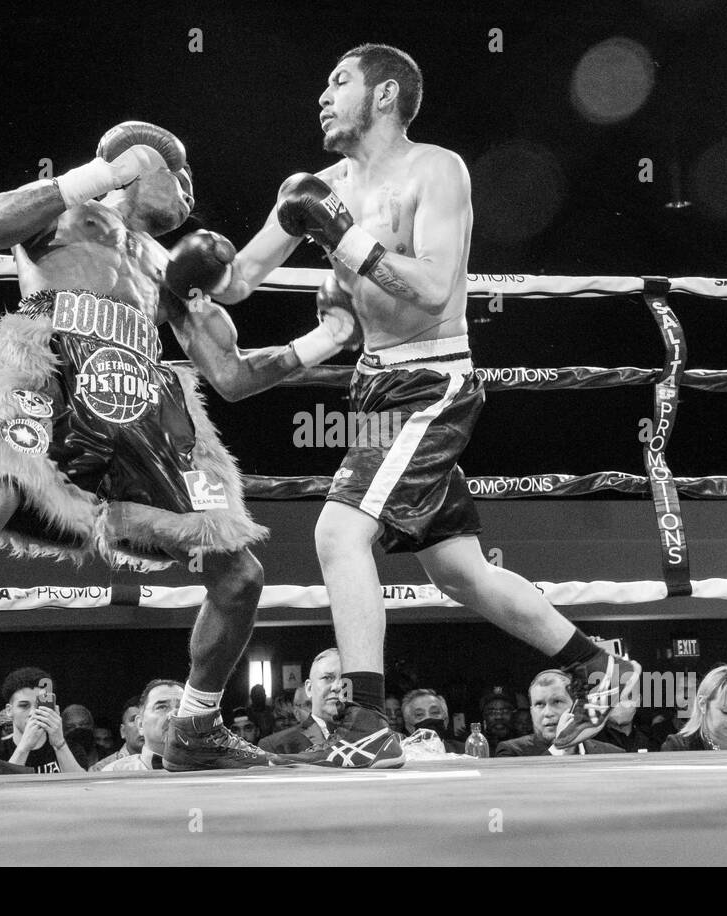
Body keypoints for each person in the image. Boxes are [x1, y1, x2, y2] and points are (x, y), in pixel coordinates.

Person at [0, 120, 361, 786]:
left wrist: (329, 337)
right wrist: (100, 173)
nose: (191, 191)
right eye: (180, 172)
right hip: (47, 368)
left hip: (139, 403)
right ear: (138, 163)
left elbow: (230, 376)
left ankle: (196, 726)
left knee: (240, 575)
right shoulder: (65, 212)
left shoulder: (170, 265)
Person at [219, 43, 639, 768]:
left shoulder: (435, 170)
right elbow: (240, 279)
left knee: (337, 534)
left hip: (430, 380)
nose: (322, 95)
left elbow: (437, 287)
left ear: (385, 96)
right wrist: (169, 265)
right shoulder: (316, 185)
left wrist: (342, 238)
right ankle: (596, 664)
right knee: (459, 571)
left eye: (338, 79)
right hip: (374, 384)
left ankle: (365, 722)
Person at [496, 670, 624, 757]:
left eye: (557, 702)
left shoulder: (612, 754)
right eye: (539, 704)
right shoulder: (511, 753)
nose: (547, 713)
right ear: (531, 711)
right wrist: (561, 747)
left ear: (576, 706)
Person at [0, 667, 86, 773]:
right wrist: (24, 748)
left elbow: (83, 786)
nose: (32, 713)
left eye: (40, 705)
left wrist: (59, 744)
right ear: (9, 711)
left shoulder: (71, 748)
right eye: (24, 706)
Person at [258, 648, 342, 754]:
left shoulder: (367, 735)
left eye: (344, 679)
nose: (337, 686)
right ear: (309, 688)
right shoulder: (276, 745)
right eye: (327, 678)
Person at [99, 679, 183, 771]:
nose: (173, 714)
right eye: (162, 707)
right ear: (140, 724)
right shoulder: (114, 772)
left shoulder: (201, 768)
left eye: (182, 707)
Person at [90, 698, 144, 770]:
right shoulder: (101, 769)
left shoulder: (163, 764)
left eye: (146, 718)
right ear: (123, 731)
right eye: (133, 720)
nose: (141, 725)